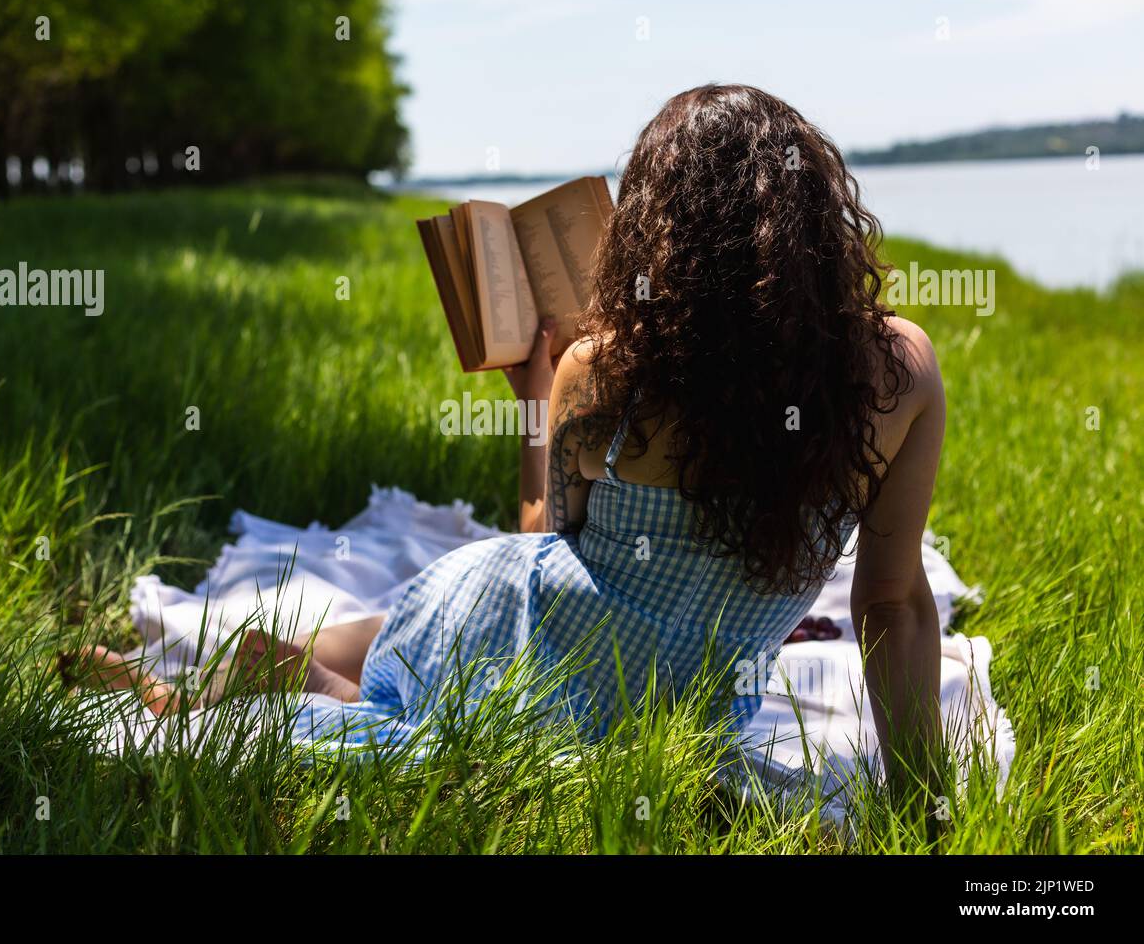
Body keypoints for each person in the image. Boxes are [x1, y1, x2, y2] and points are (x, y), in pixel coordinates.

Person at [66, 83, 946, 798]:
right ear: (817, 229)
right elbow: (895, 606)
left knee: (348, 660)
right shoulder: (899, 371)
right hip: (623, 683)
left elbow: (540, 538)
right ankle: (218, 683)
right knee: (353, 653)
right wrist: (926, 804)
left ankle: (194, 694)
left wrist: (536, 399)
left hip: (518, 634)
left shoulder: (609, 373)